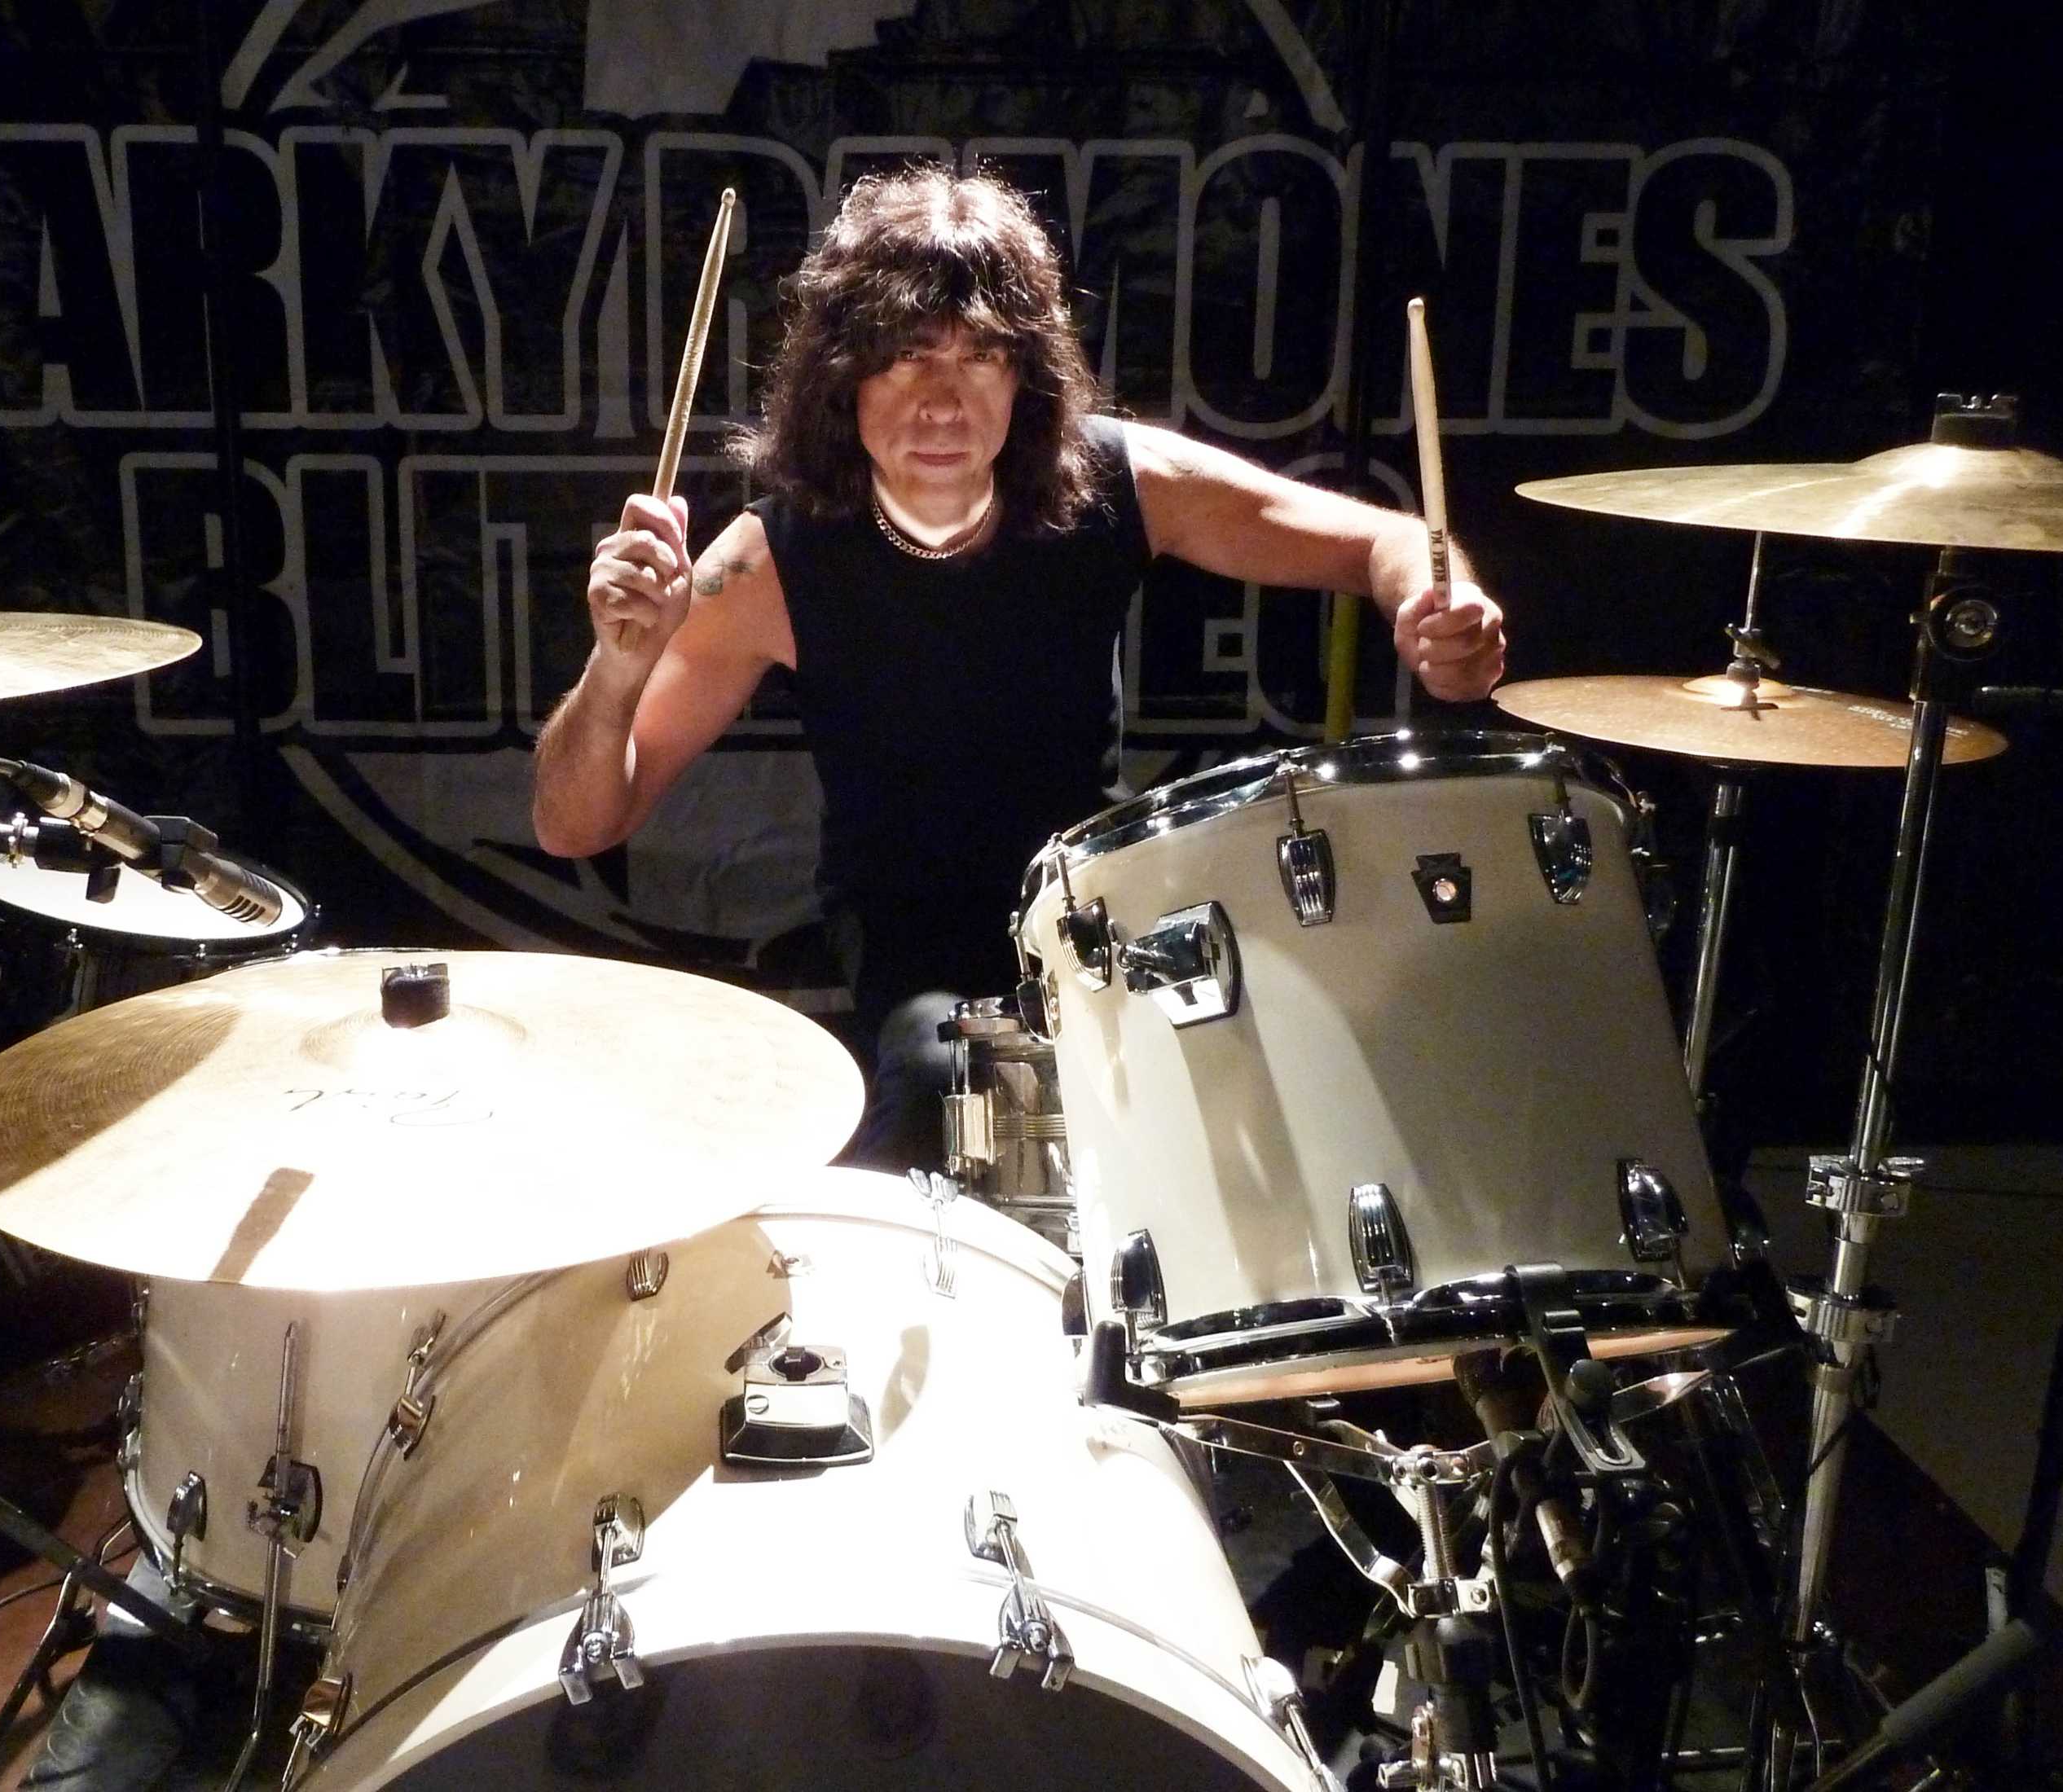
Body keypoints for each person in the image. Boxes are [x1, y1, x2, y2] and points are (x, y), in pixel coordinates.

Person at [533, 166, 1505, 1168]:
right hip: (913, 959)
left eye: (980, 357)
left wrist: (1440, 605)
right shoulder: (769, 561)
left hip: (1098, 922)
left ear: (1025, 375)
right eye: (904, 358)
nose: (941, 403)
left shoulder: (1115, 483)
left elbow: (1388, 543)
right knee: (933, 1070)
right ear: (843, 379)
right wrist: (616, 669)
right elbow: (574, 823)